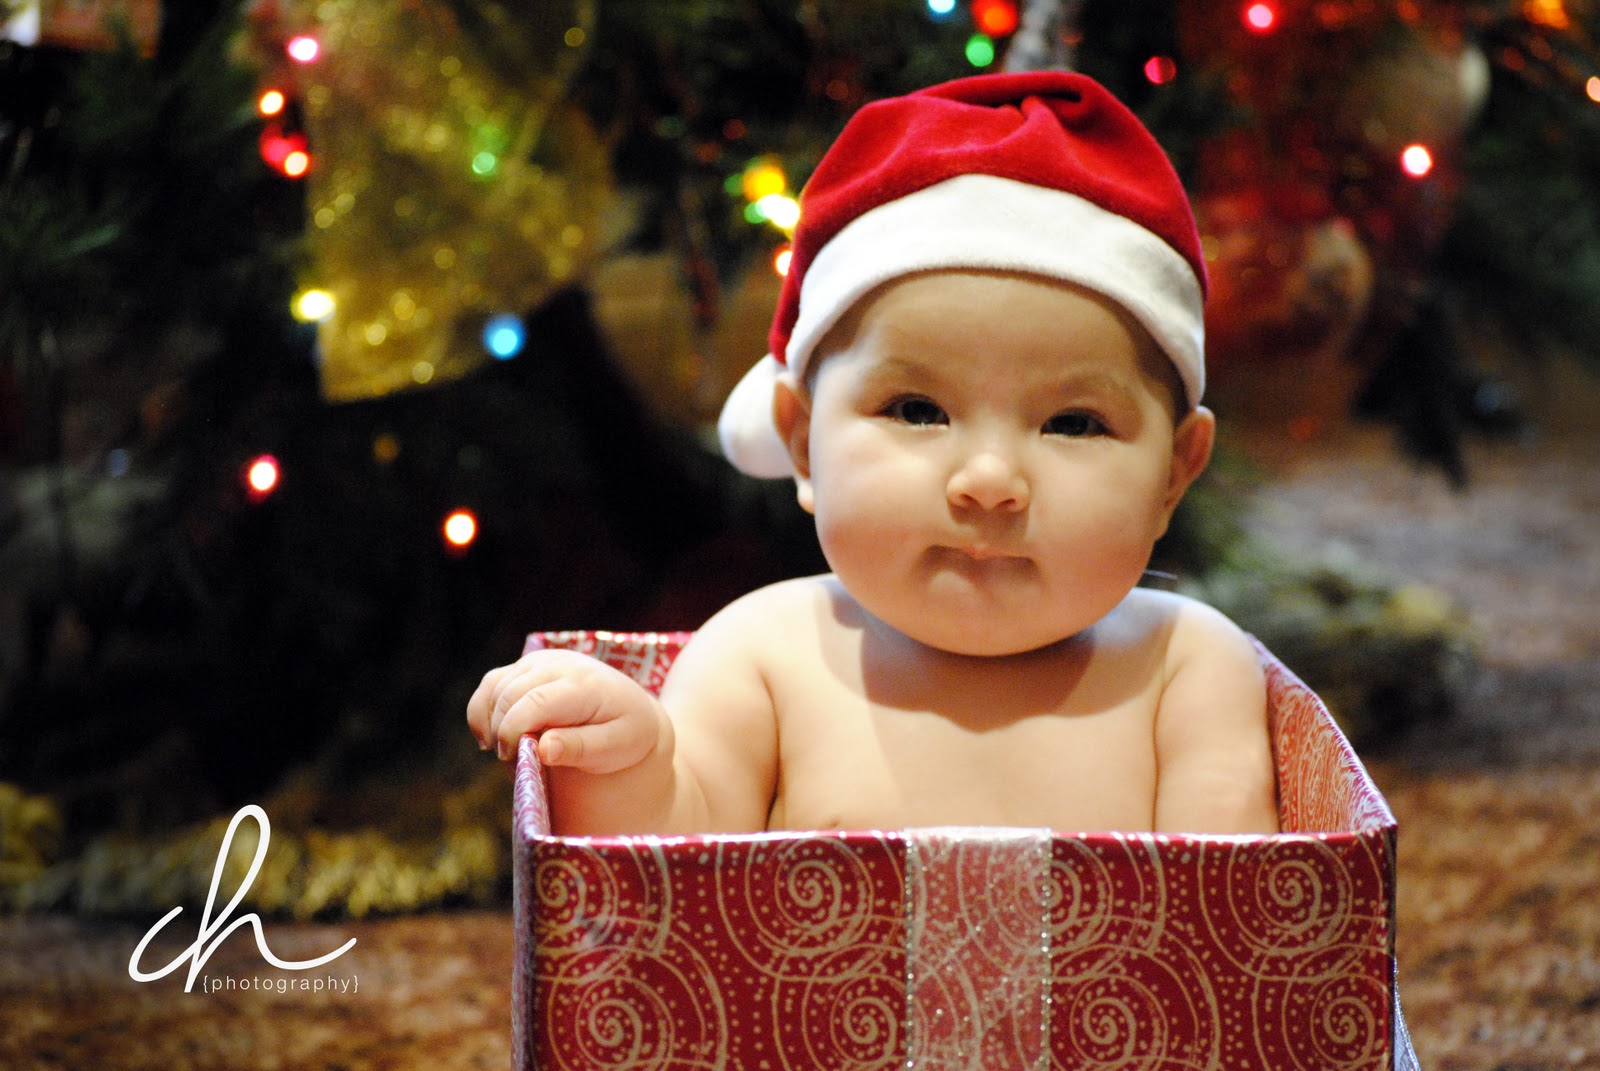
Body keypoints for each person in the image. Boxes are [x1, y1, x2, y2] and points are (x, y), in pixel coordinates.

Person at [467, 71, 1279, 838]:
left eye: (1072, 423)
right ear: (803, 445)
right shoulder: (766, 654)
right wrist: (626, 761)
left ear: (1175, 472)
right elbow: (668, 882)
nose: (991, 481)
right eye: (918, 410)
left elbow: (1237, 922)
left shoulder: (1185, 669)